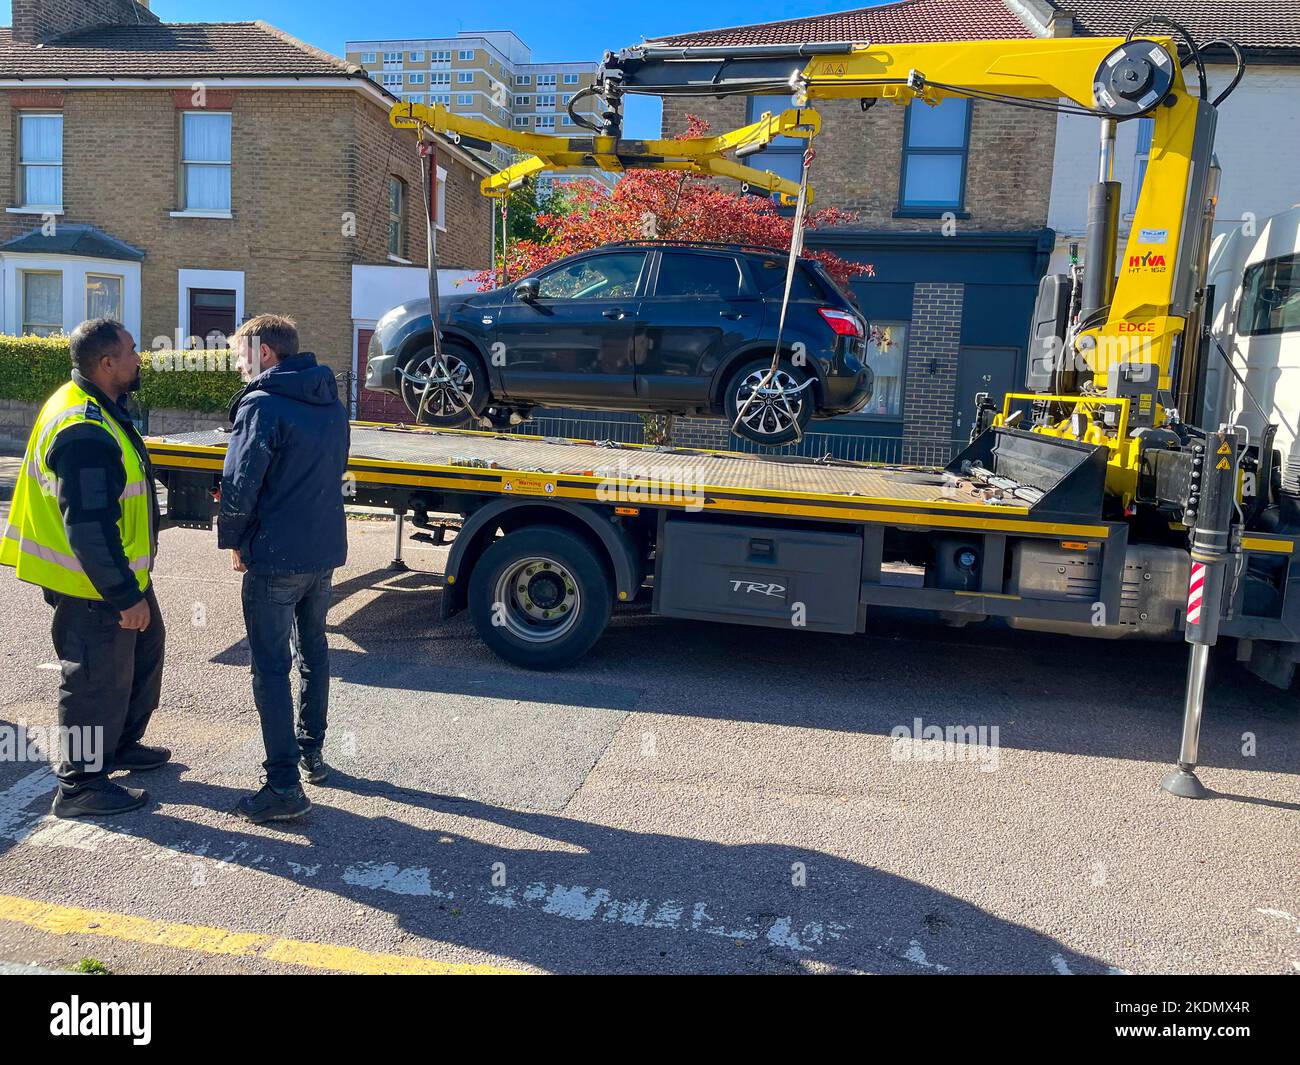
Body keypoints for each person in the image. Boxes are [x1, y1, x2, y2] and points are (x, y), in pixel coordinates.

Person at [0, 318, 168, 818]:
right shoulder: (85, 428)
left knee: (143, 652)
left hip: (116, 575)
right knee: (94, 678)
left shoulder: (96, 409)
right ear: (107, 363)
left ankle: (117, 746)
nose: (141, 358)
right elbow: (89, 527)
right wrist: (123, 595)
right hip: (94, 582)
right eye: (133, 351)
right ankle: (81, 785)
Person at [218, 315, 349, 823]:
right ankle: (311, 752)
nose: (236, 365)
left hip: (275, 556)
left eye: (239, 354)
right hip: (321, 550)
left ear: (265, 353)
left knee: (271, 667)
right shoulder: (331, 402)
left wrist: (233, 540)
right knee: (314, 647)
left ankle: (282, 786)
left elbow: (240, 483)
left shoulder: (262, 404)